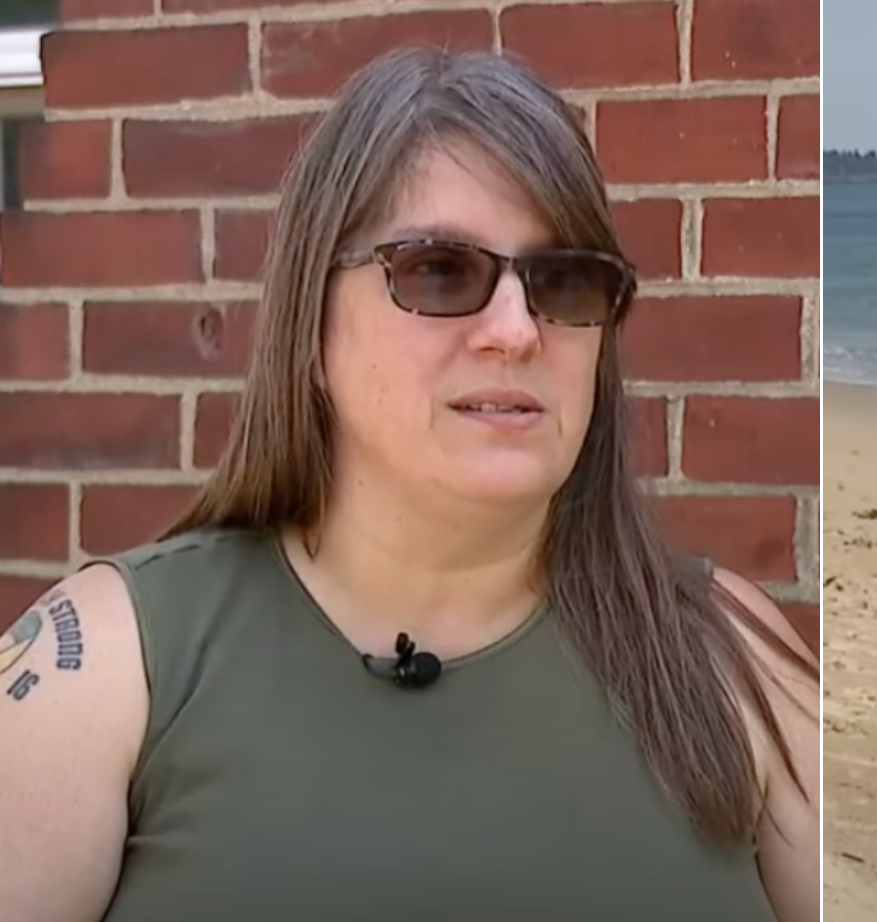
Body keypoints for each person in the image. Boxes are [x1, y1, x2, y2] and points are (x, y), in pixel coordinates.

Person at [0, 47, 819, 922]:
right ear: (310, 324)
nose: (516, 331)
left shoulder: (732, 663)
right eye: (438, 271)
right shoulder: (104, 667)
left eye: (566, 282)